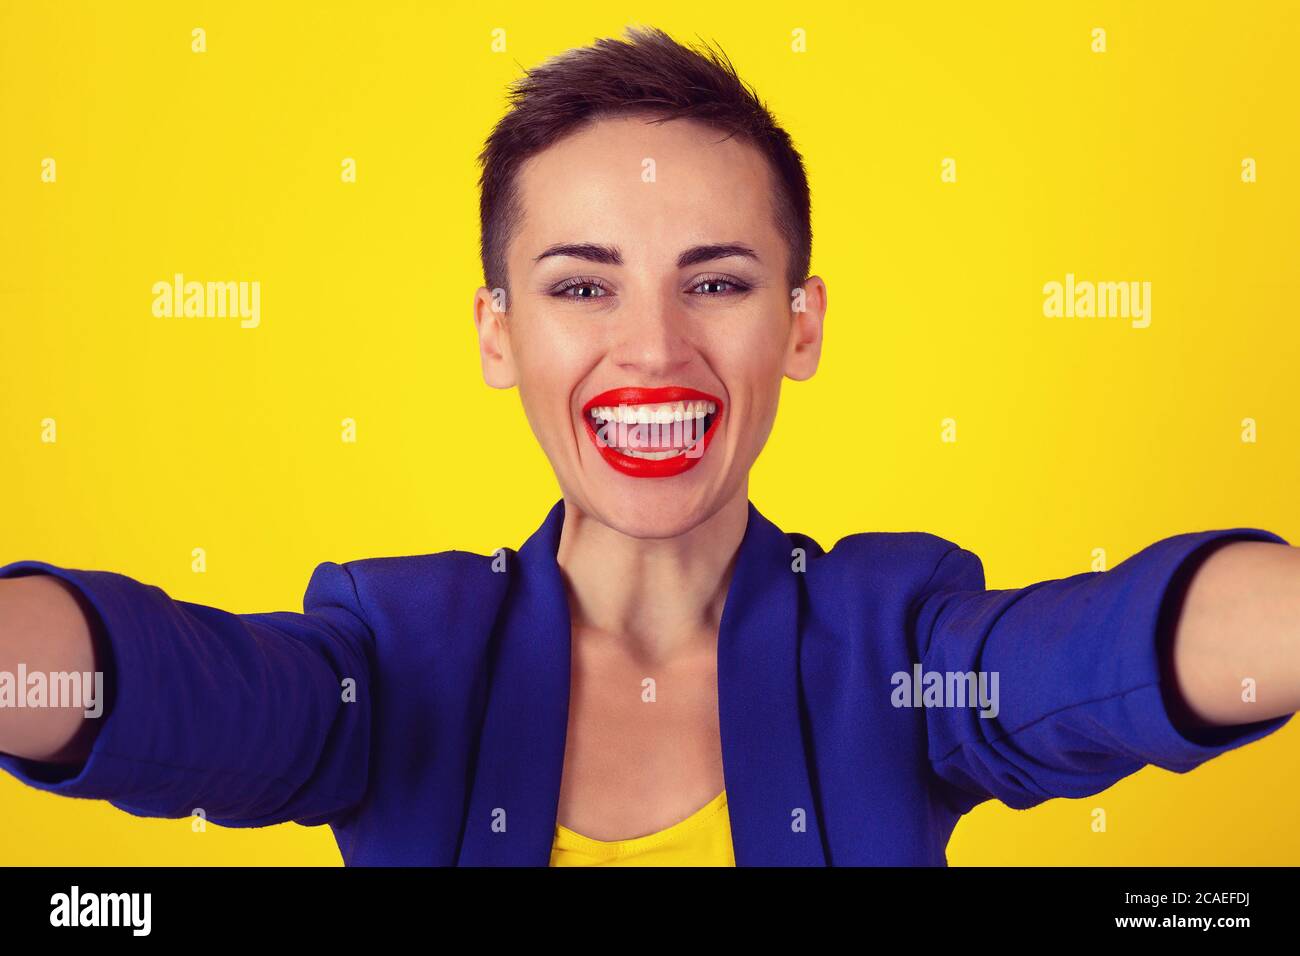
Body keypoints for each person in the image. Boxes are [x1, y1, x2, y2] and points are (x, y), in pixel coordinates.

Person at [1, 26, 1296, 867]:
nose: (655, 351)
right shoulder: (394, 656)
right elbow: (177, 689)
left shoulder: (898, 648)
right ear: (498, 333)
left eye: (717, 283)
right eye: (582, 287)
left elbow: (1108, 653)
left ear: (800, 324)